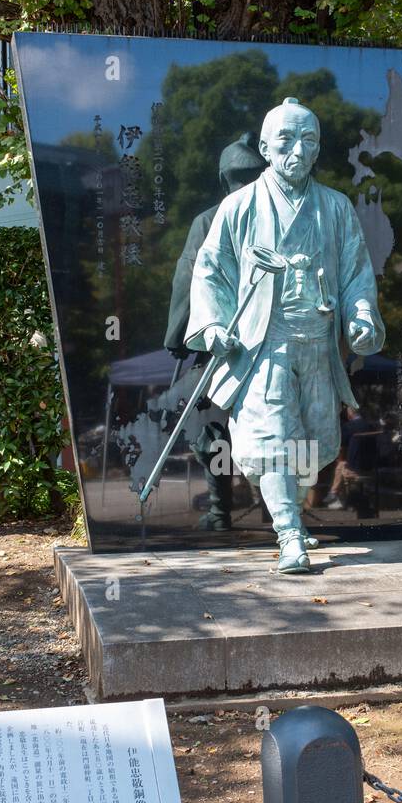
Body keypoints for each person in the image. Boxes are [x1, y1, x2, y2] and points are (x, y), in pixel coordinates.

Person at [185, 97, 385, 572]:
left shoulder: (335, 207)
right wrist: (213, 325)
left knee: (311, 441)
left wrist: (360, 316)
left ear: (318, 150)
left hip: (317, 343)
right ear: (265, 147)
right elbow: (210, 271)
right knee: (271, 436)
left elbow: (357, 272)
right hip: (263, 344)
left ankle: (291, 514)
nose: (298, 150)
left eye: (309, 140)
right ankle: (289, 533)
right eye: (287, 140)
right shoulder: (239, 207)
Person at [163, 133, 266, 530]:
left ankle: (222, 512)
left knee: (212, 431)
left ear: (224, 178)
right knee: (270, 428)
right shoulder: (284, 217)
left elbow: (188, 277)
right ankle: (274, 513)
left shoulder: (209, 219)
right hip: (267, 344)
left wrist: (177, 337)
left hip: (220, 344)